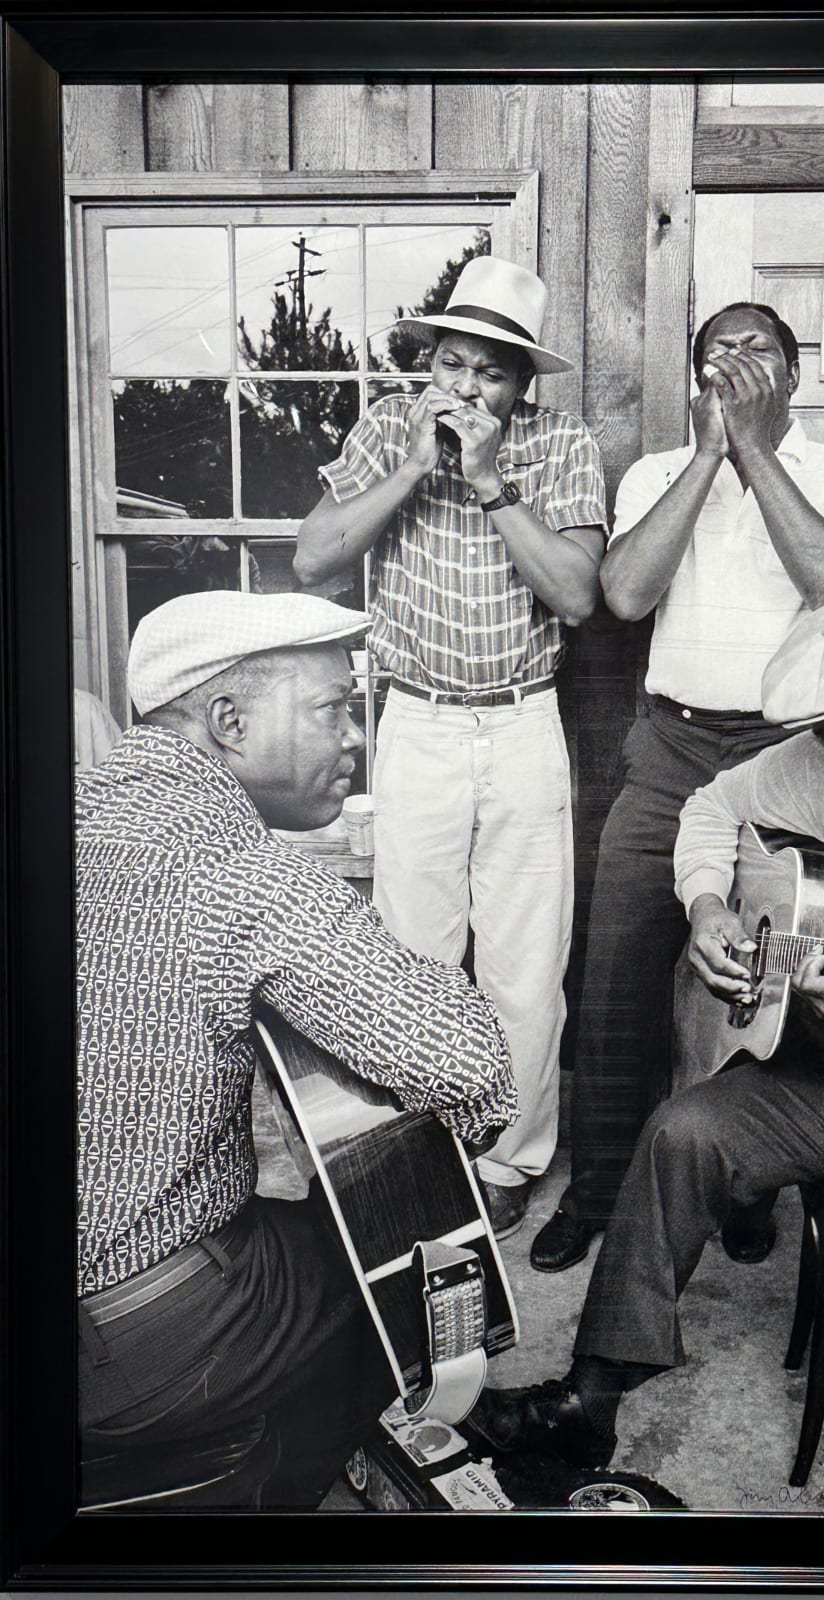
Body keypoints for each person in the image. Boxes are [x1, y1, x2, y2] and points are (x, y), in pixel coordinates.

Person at [471, 584, 824, 1516]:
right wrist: (708, 906)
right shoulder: (817, 762)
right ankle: (587, 1402)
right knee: (682, 1132)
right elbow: (711, 803)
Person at [77, 590, 518, 1508]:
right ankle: (271, 1489)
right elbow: (469, 1067)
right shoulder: (239, 871)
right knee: (404, 1277)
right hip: (125, 1335)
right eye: (333, 707)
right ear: (229, 721)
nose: (356, 736)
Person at [531, 301, 824, 1273]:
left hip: (787, 752)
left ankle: (744, 1182)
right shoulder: (658, 470)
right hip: (670, 743)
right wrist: (706, 457)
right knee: (617, 972)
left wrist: (755, 449)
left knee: (770, 982)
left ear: (792, 375)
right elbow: (623, 594)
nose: (734, 362)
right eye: (716, 352)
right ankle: (598, 1193)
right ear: (695, 380)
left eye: (756, 349)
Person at [294, 256, 607, 1240]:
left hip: (522, 721)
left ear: (522, 383)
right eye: (453, 365)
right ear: (430, 363)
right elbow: (313, 556)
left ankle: (508, 1159)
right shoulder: (389, 423)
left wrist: (487, 482)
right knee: (413, 960)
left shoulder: (562, 442)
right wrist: (411, 470)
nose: (468, 389)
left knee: (525, 968)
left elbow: (578, 595)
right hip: (419, 720)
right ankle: (420, 1156)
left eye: (492, 372)